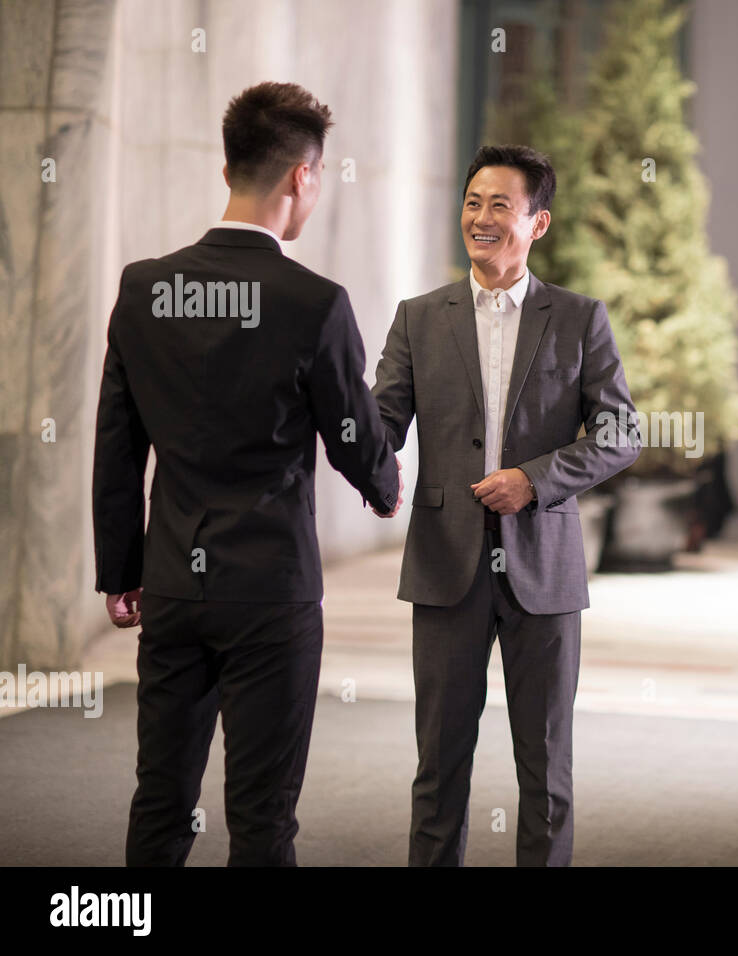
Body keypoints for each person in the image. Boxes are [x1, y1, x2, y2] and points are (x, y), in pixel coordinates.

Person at [92, 81, 402, 866]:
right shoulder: (313, 302)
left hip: (172, 582)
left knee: (160, 795)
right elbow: (350, 434)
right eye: (321, 175)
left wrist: (122, 569)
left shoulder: (144, 287)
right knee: (262, 816)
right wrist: (383, 482)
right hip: (270, 590)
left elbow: (118, 443)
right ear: (302, 176)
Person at [373, 144, 640, 866]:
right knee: (438, 771)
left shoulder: (579, 319)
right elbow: (378, 426)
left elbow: (621, 434)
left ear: (538, 222)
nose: (481, 218)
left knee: (546, 773)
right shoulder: (419, 318)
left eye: (500, 205)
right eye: (472, 202)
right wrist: (361, 455)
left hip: (543, 568)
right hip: (444, 566)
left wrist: (535, 479)